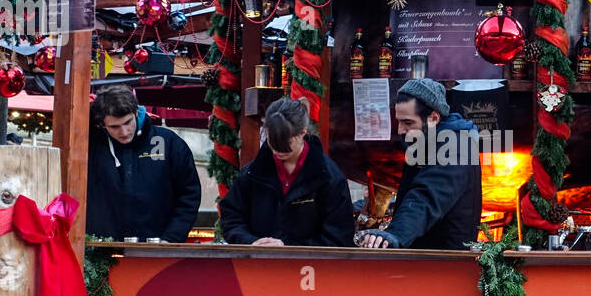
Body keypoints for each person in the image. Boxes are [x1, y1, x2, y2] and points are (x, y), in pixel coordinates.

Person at [357, 78, 482, 250]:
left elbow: (425, 198)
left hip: (446, 266)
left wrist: (395, 234)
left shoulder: (454, 148)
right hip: (429, 261)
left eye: (408, 122)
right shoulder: (426, 142)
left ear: (433, 118)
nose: (400, 130)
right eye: (399, 121)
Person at [218, 97, 353, 247]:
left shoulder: (330, 177)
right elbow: (231, 218)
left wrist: (288, 247)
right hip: (256, 264)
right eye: (272, 143)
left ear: (303, 133)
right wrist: (251, 242)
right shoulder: (251, 174)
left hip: (310, 267)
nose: (277, 151)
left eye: (284, 144)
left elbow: (339, 235)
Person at [86, 85, 201, 243]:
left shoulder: (169, 143)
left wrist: (172, 238)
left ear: (136, 112)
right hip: (100, 250)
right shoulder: (90, 143)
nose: (124, 132)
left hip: (158, 247)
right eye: (114, 127)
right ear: (101, 124)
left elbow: (189, 195)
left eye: (128, 122)